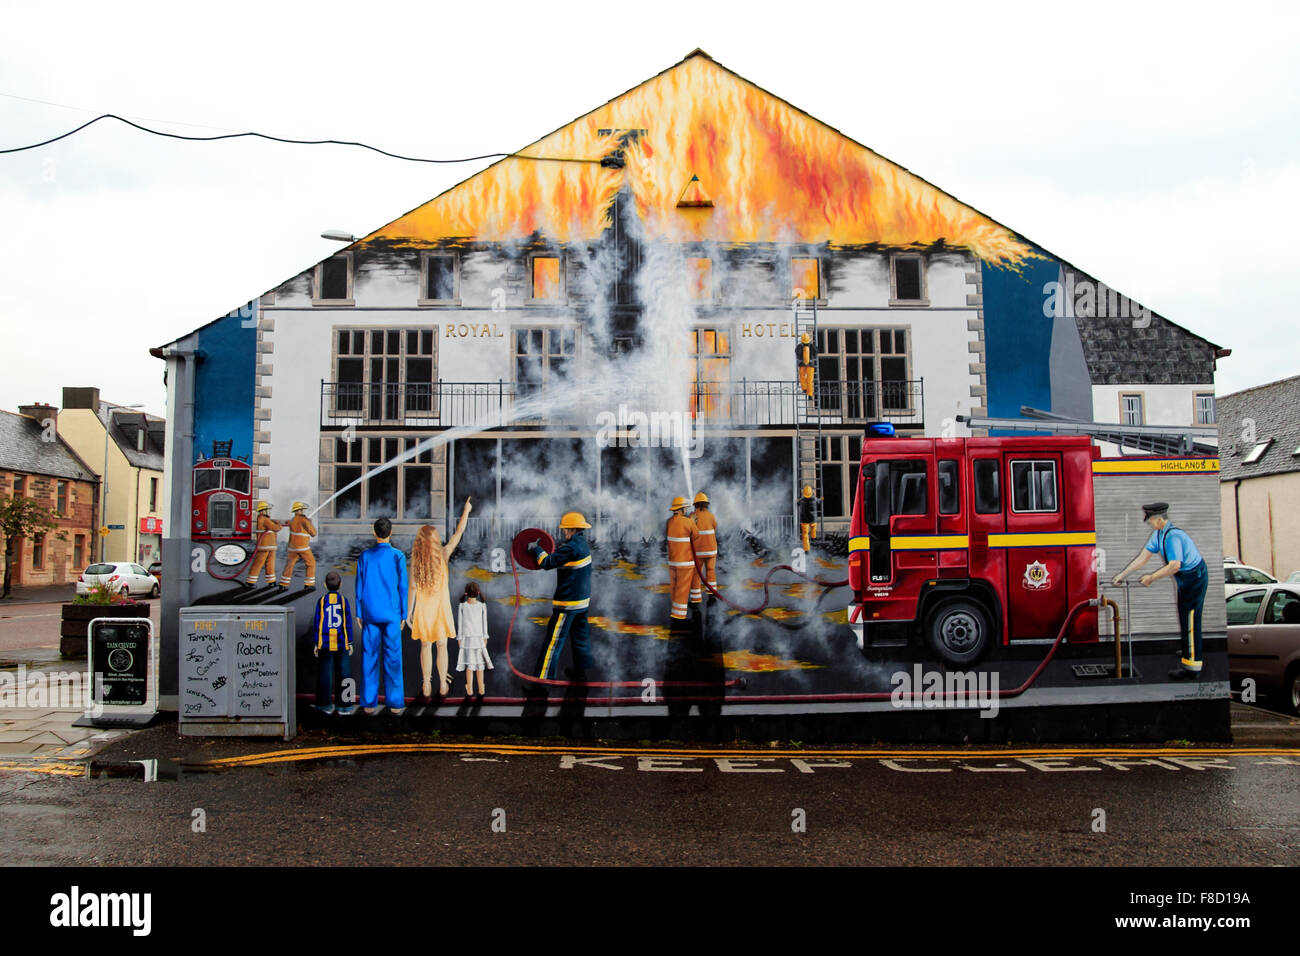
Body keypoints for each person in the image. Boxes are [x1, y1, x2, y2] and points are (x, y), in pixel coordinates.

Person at [1111, 501, 1208, 681]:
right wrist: (1122, 575)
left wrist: (1151, 578)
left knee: (1191, 617)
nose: (1149, 524)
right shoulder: (1158, 535)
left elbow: (1174, 565)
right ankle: (1189, 649)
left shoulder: (1173, 537)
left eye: (1150, 521)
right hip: (1185, 577)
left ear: (1158, 519)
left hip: (1195, 577)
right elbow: (1143, 557)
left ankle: (1192, 666)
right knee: (1184, 615)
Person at [407, 498, 473, 701]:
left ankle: (426, 683)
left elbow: (412, 588)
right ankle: (443, 683)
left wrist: (408, 614)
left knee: (425, 647)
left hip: (424, 610)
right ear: (436, 541)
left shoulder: (416, 563)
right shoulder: (444, 554)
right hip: (440, 610)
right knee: (442, 646)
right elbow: (458, 534)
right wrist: (466, 511)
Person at [527, 511, 593, 680]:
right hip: (582, 603)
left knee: (553, 643)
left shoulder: (570, 548)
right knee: (581, 639)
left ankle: (541, 682)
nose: (564, 532)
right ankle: (581, 673)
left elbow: (547, 563)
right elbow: (562, 557)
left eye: (565, 529)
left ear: (572, 529)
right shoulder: (582, 544)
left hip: (568, 604)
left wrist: (537, 549)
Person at [355, 516, 409, 714]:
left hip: (370, 613)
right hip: (393, 614)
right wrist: (404, 613)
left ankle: (369, 702)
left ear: (374, 532)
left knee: (369, 657)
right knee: (394, 658)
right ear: (391, 532)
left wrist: (359, 612)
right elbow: (403, 587)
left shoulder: (365, 556)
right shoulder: (398, 556)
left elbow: (359, 585)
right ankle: (395, 703)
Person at [310, 571, 355, 714]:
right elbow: (347, 623)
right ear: (340, 584)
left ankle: (324, 706)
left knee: (325, 674)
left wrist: (317, 643)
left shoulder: (322, 600)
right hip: (342, 643)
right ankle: (345, 706)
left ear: (324, 585)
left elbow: (318, 622)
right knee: (345, 674)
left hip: (325, 643)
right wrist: (350, 642)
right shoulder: (343, 600)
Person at [455, 581, 493, 698]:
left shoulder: (463, 606)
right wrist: (485, 636)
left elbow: (460, 624)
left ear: (466, 593)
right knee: (479, 665)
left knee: (470, 666)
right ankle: (481, 688)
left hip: (467, 640)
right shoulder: (482, 606)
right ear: (478, 592)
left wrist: (459, 638)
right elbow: (484, 623)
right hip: (479, 639)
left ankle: (470, 689)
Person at [665, 496, 697, 623]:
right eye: (685, 508)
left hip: (673, 562)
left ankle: (675, 609)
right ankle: (679, 616)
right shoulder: (688, 522)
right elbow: (696, 535)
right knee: (682, 589)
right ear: (682, 509)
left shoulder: (669, 522)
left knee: (674, 587)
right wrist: (693, 522)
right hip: (685, 563)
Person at [279, 501, 317, 589]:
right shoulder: (304, 520)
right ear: (300, 510)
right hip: (303, 547)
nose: (303, 511)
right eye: (302, 509)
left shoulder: (292, 519)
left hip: (292, 548)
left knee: (289, 565)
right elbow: (313, 533)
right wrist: (310, 523)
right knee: (311, 563)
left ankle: (283, 584)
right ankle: (309, 584)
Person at [690, 491, 719, 605]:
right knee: (711, 571)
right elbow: (715, 527)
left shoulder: (692, 517)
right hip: (711, 550)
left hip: (698, 552)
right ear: (707, 504)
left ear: (695, 504)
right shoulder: (711, 516)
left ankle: (696, 599)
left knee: (697, 574)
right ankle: (712, 594)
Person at [245, 501, 282, 585]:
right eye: (268, 509)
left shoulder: (266, 519)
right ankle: (250, 581)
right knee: (259, 563)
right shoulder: (263, 518)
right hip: (265, 545)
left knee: (270, 563)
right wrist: (279, 524)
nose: (269, 511)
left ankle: (271, 581)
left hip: (270, 545)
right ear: (263, 510)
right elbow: (275, 528)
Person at [795, 332, 816, 400]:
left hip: (805, 364)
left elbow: (797, 353)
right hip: (808, 364)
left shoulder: (800, 346)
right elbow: (816, 352)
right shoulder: (811, 346)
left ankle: (805, 390)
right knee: (808, 378)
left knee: (804, 377)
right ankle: (808, 392)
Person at [798, 485, 818, 553]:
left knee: (805, 534)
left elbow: (797, 503)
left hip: (804, 519)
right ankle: (813, 537)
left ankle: (806, 549)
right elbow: (819, 502)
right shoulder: (814, 499)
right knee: (813, 527)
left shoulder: (801, 500)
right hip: (813, 518)